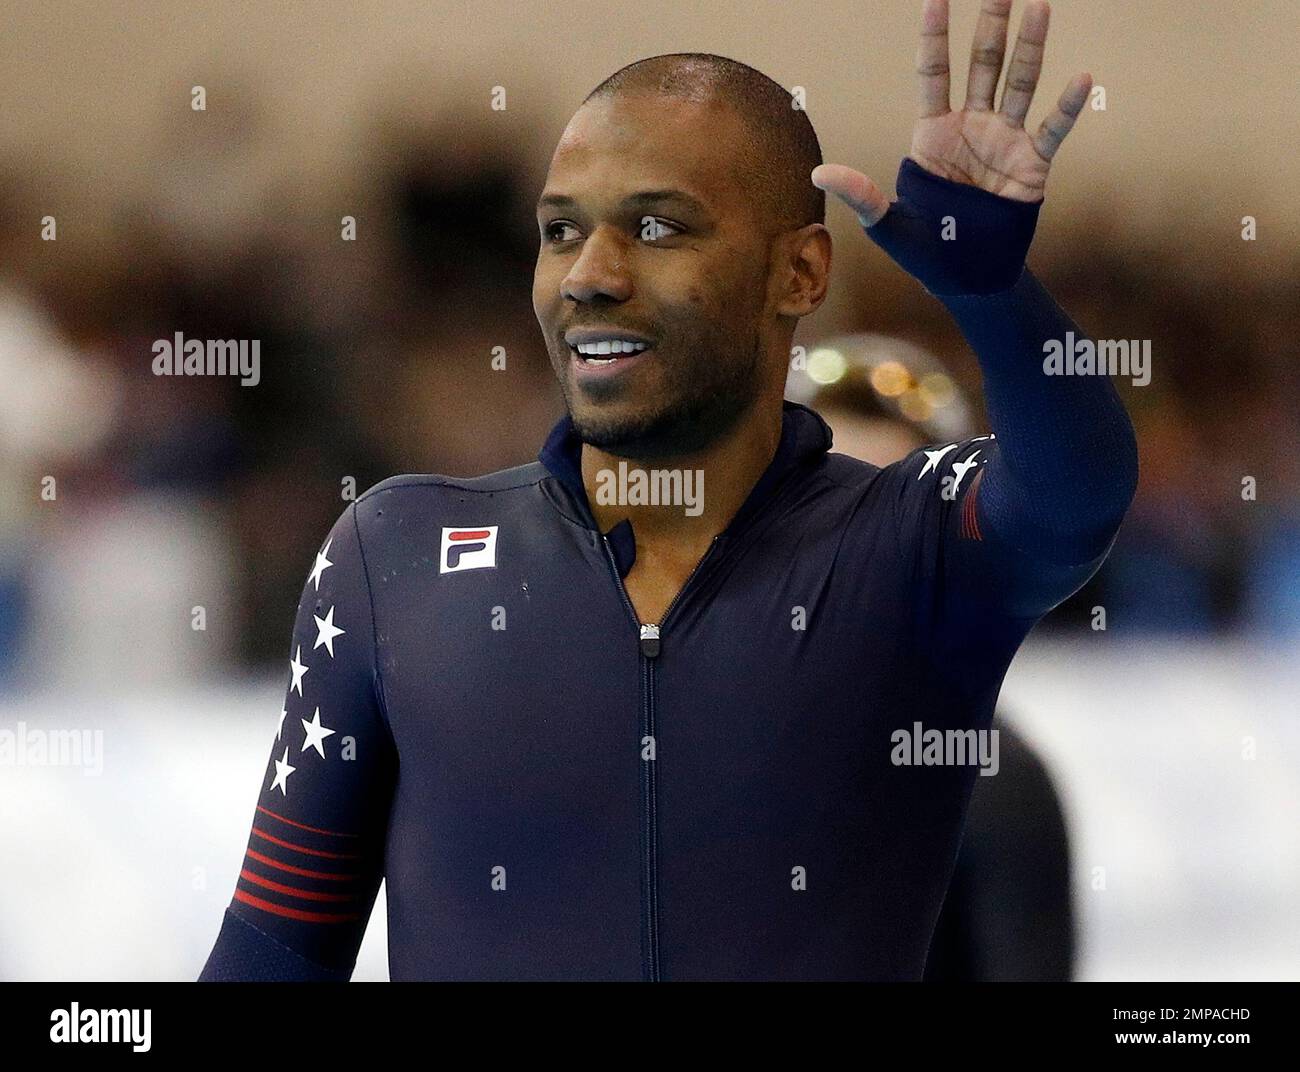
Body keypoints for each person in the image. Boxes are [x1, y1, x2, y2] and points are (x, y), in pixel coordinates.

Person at [200, 0, 1136, 981]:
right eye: (560, 230)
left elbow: (1075, 496)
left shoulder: (906, 548)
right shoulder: (393, 557)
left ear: (799, 271)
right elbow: (270, 953)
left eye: (655, 227)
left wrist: (992, 292)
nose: (589, 275)